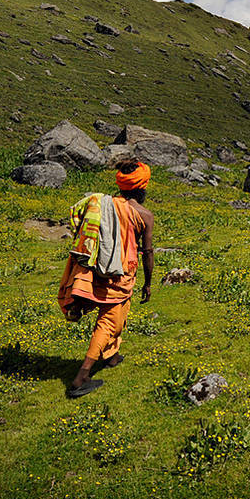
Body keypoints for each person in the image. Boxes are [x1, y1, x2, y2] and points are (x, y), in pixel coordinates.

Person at [58, 160, 155, 398]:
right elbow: (148, 252)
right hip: (120, 273)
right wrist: (148, 283)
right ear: (142, 187)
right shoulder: (144, 215)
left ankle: (111, 356)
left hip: (95, 269)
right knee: (110, 320)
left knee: (118, 314)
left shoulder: (102, 204)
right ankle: (82, 377)